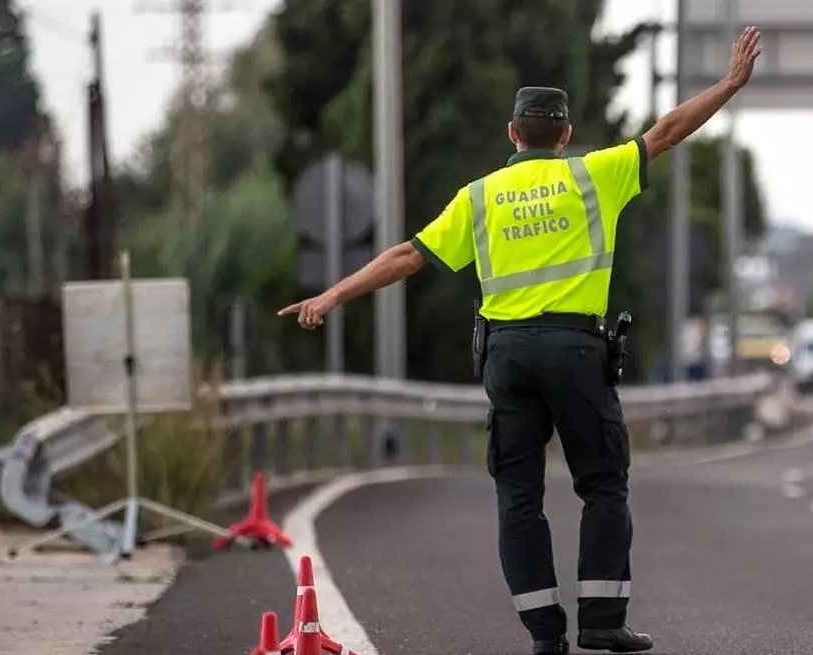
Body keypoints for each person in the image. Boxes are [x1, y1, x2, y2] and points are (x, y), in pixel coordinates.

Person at [277, 26, 763, 655]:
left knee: (518, 496)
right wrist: (728, 83)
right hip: (576, 353)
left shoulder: (478, 198)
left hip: (507, 357)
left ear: (512, 134)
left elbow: (405, 256)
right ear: (564, 135)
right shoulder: (597, 175)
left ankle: (545, 635)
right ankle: (601, 620)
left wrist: (332, 296)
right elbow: (668, 131)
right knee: (603, 485)